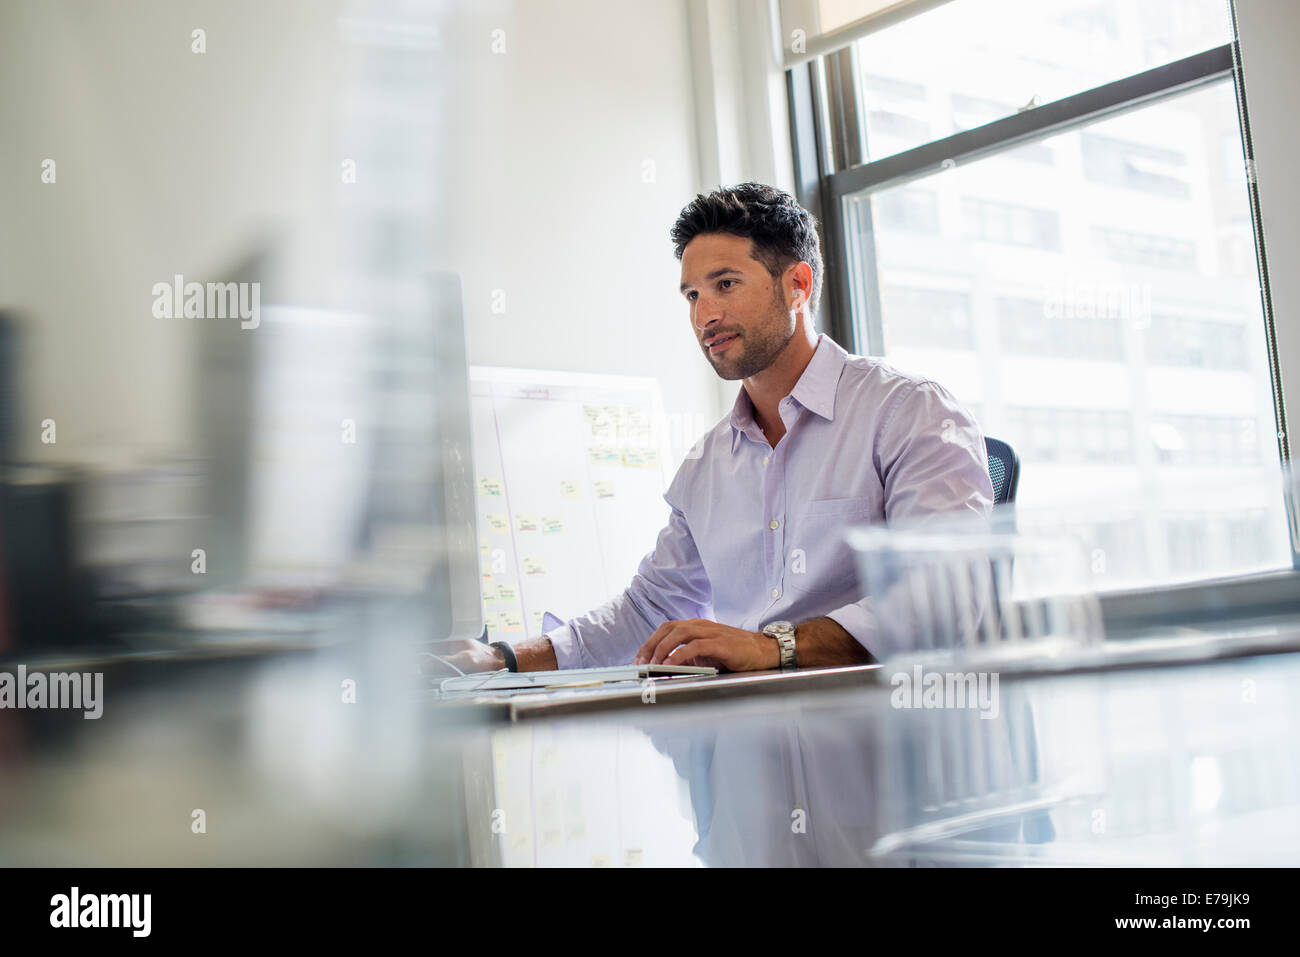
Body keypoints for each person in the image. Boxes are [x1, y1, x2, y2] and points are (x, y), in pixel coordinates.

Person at [448, 183, 992, 674]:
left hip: (880, 748)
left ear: (797, 285)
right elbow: (650, 607)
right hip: (749, 749)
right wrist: (503, 659)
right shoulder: (707, 464)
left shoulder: (908, 412)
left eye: (725, 284)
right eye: (691, 295)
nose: (703, 315)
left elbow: (945, 596)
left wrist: (773, 647)